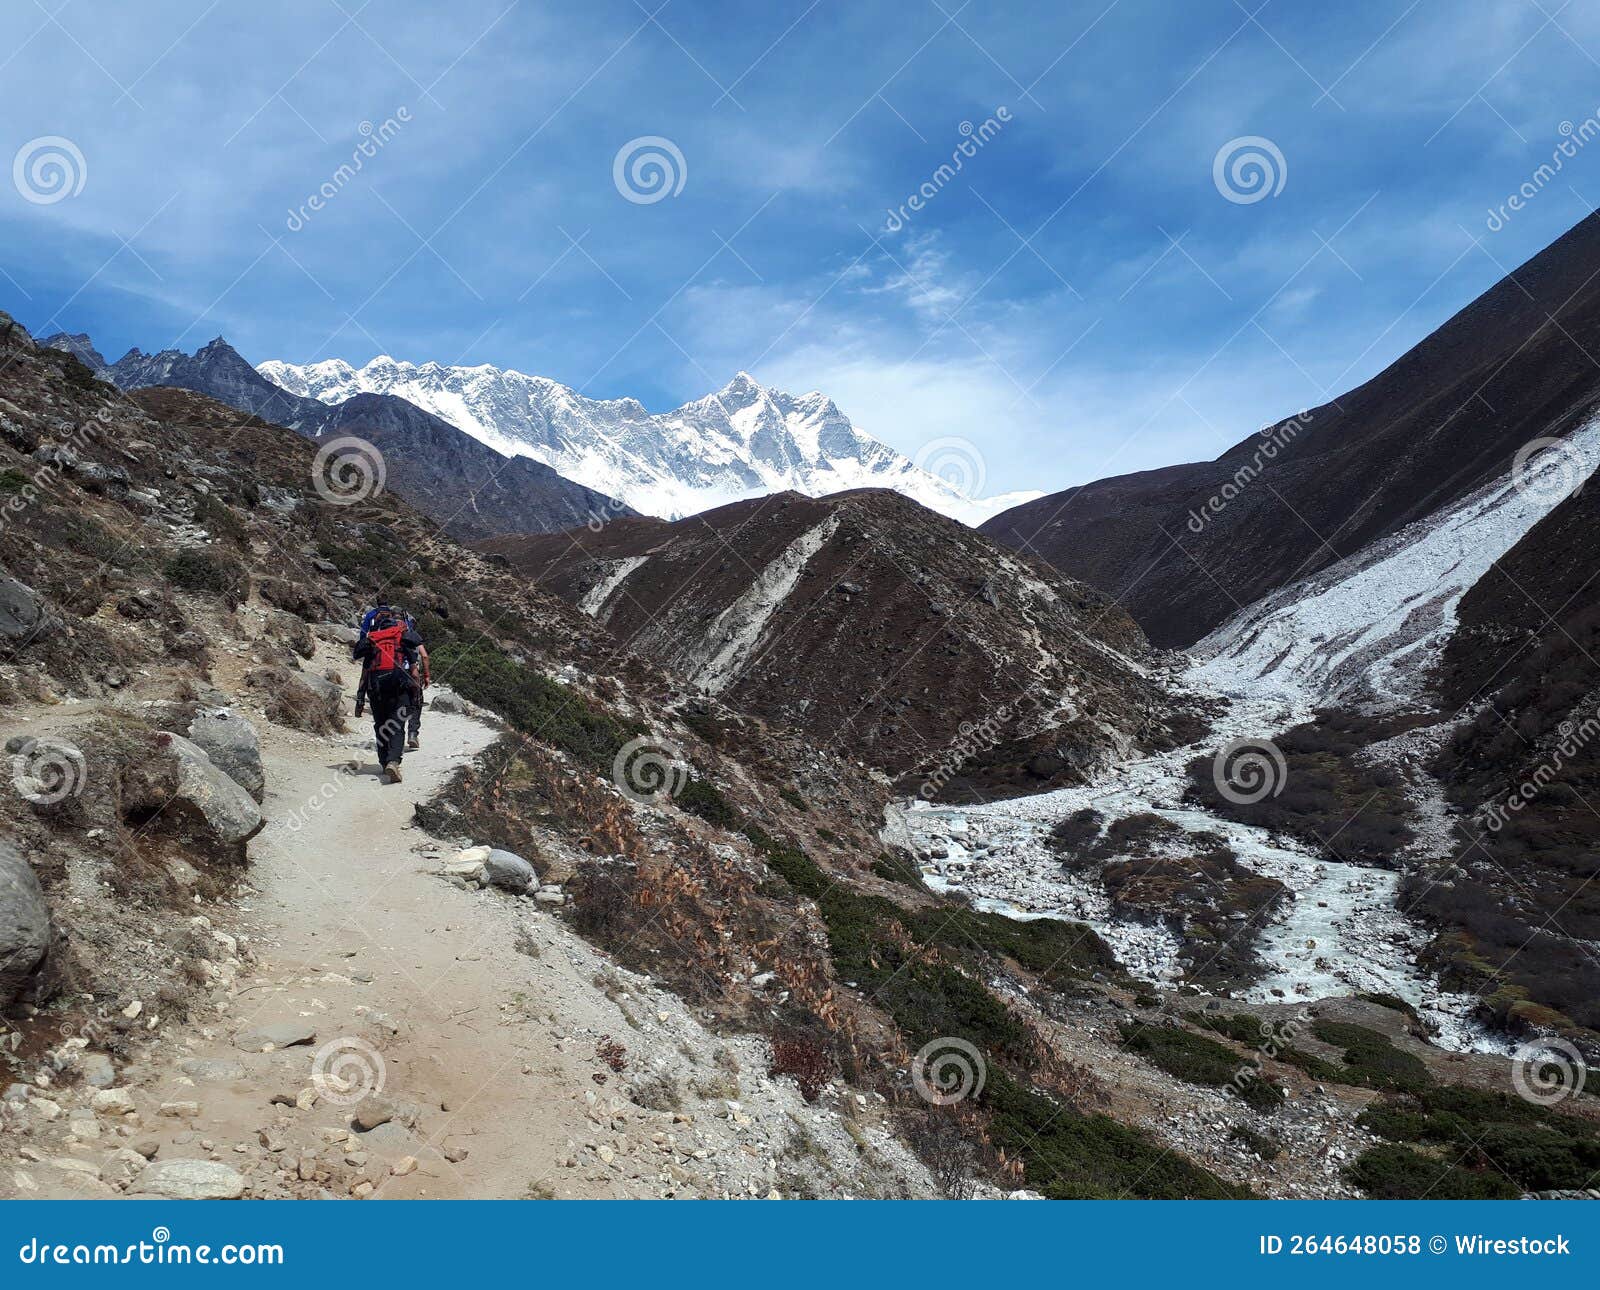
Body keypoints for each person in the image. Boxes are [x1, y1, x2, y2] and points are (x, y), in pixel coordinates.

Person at [351, 607, 423, 783]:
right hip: (398, 686)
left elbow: (365, 673)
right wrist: (416, 691)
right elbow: (413, 672)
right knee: (397, 726)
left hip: (375, 688)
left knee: (381, 724)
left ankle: (384, 762)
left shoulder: (372, 641)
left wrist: (360, 699)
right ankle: (393, 761)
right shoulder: (402, 640)